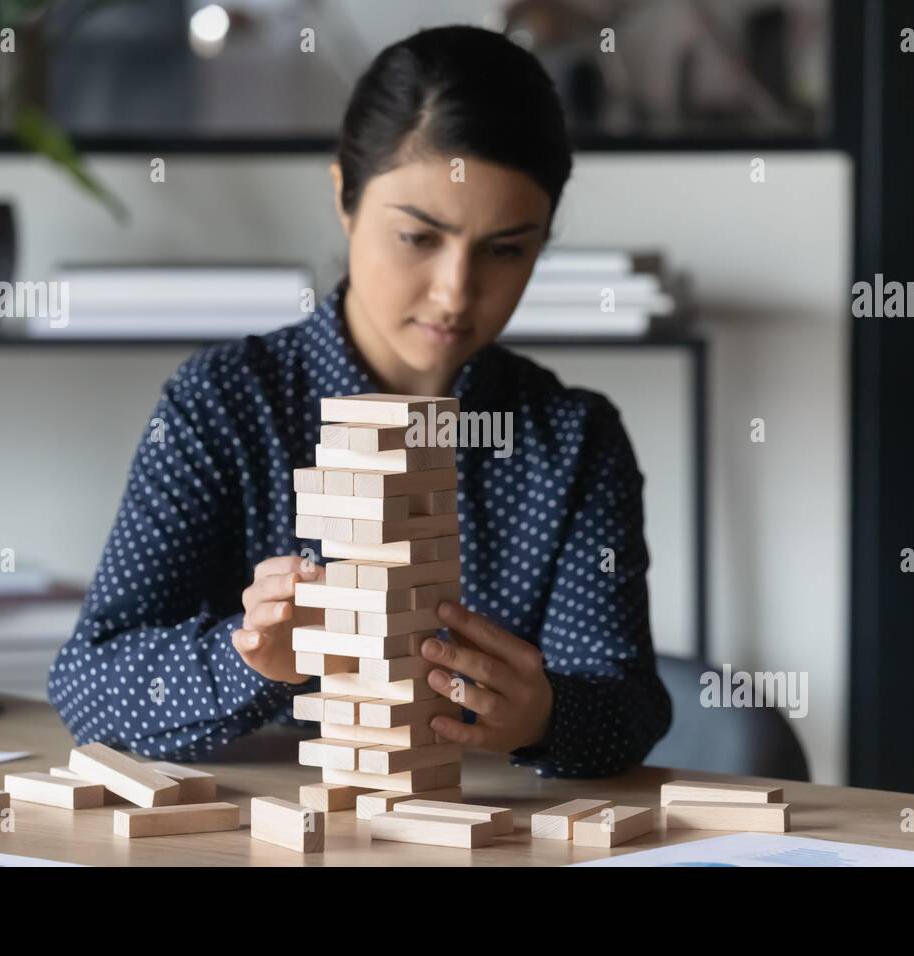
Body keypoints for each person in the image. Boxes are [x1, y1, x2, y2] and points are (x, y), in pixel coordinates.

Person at [47, 24, 672, 778]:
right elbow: (89, 683)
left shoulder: (571, 440)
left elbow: (628, 702)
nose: (455, 292)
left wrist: (544, 716)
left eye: (506, 250)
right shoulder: (222, 405)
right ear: (345, 195)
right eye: (418, 237)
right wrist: (250, 660)